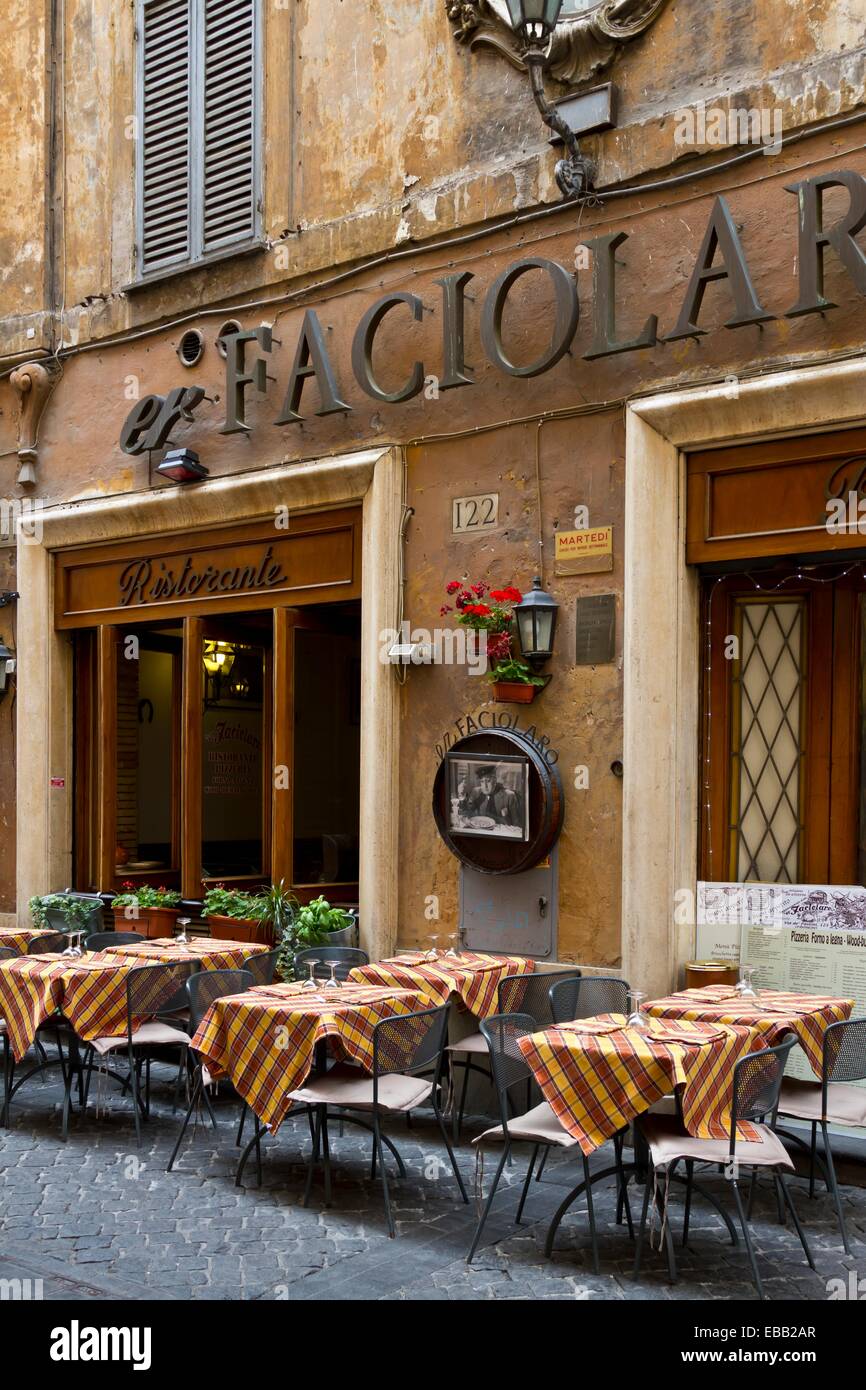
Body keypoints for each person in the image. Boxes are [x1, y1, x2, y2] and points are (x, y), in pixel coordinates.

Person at [458, 764, 523, 831]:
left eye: (488, 781)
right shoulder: (476, 792)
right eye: (482, 781)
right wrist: (462, 796)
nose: (485, 786)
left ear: (495, 780)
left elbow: (517, 825)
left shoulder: (509, 796)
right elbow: (467, 812)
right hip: (481, 830)